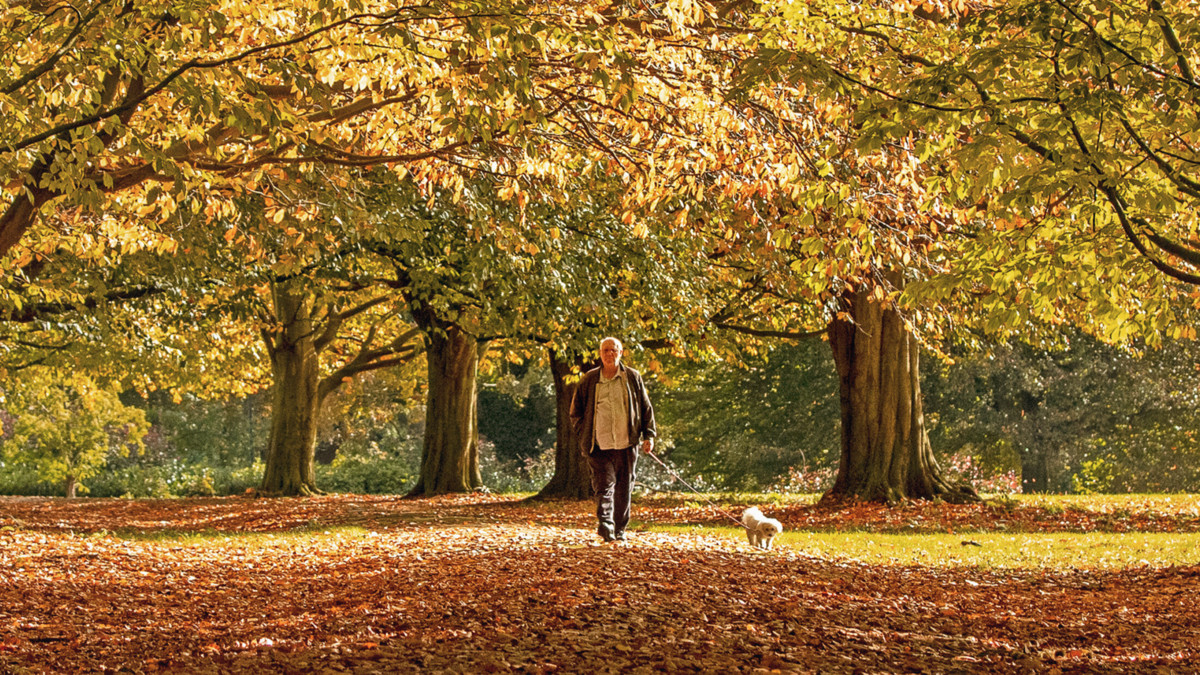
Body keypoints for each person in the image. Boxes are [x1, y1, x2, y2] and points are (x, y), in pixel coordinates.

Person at [569, 337, 657, 542]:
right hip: (598, 444)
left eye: (613, 350)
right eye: (606, 350)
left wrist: (649, 435)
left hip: (627, 443)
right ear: (600, 354)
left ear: (621, 352)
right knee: (604, 486)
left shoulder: (632, 377)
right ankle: (606, 524)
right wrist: (585, 434)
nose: (610, 354)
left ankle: (619, 529)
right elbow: (575, 412)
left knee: (624, 487)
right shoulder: (589, 379)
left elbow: (645, 407)